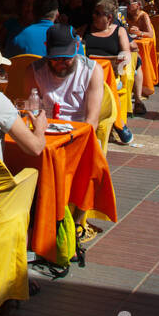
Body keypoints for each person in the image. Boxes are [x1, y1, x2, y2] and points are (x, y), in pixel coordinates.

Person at [27, 25, 106, 243]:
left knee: (91, 161)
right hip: (46, 134)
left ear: (77, 48)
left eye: (67, 58)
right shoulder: (35, 71)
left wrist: (72, 141)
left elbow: (92, 121)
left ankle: (78, 221)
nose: (62, 63)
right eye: (56, 58)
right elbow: (31, 110)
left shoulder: (92, 71)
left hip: (79, 134)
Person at [82, 0, 144, 121]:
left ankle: (114, 122)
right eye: (94, 12)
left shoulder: (119, 31)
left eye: (98, 14)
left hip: (111, 76)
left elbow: (126, 54)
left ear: (109, 18)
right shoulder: (86, 29)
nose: (94, 16)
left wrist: (117, 63)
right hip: (87, 75)